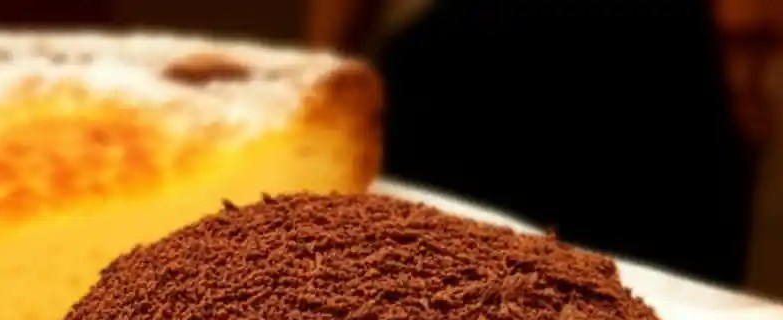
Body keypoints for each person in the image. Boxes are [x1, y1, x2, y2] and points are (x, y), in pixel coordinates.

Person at [310, 0, 757, 286]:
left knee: (661, 303)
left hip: (655, 80)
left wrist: (752, 49)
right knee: (429, 284)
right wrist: (322, 74)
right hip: (459, 72)